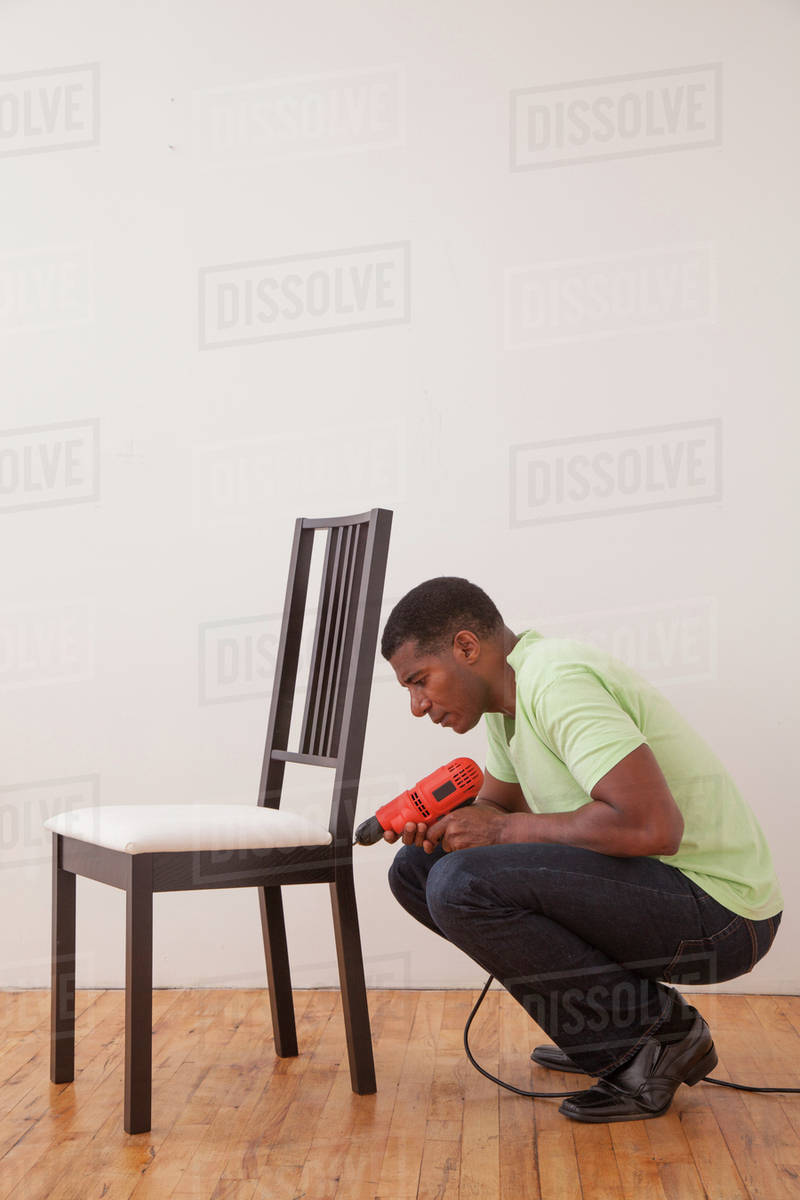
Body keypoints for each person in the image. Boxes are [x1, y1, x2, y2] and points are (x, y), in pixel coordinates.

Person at [381, 576, 783, 1123]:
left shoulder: (556, 680)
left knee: (462, 883)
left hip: (724, 916)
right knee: (419, 869)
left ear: (467, 647)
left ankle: (645, 1047)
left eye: (419, 681)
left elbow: (652, 827)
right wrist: (451, 825)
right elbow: (498, 811)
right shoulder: (506, 704)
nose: (416, 706)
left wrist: (497, 833)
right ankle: (620, 1029)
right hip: (658, 890)